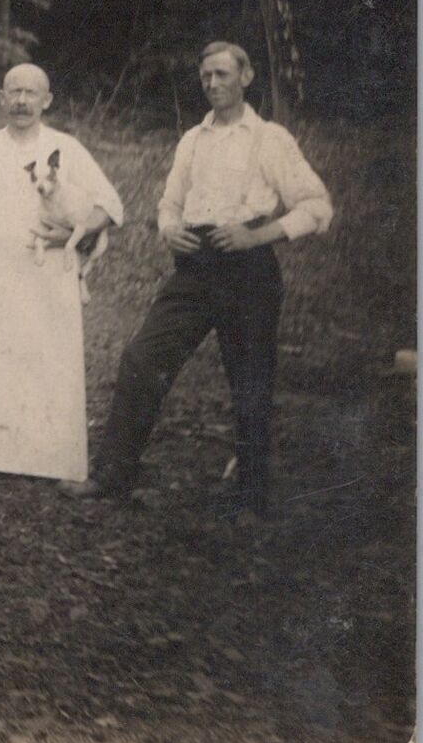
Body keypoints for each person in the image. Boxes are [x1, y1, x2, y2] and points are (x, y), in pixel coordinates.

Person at [62, 42, 333, 520]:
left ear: (246, 76)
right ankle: (112, 475)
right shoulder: (193, 139)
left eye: (223, 74)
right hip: (195, 269)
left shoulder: (269, 138)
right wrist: (170, 230)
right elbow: (169, 203)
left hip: (248, 269)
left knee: (250, 379)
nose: (213, 84)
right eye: (206, 76)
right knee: (143, 358)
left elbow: (316, 207)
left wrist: (257, 236)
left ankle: (251, 494)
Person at [0, 63, 123, 481]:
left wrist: (71, 236)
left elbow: (111, 206)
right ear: (1, 98)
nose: (22, 101)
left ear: (47, 100)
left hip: (49, 276)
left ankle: (45, 459)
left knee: (47, 360)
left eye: (31, 93)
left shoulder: (67, 148)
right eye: (14, 92)